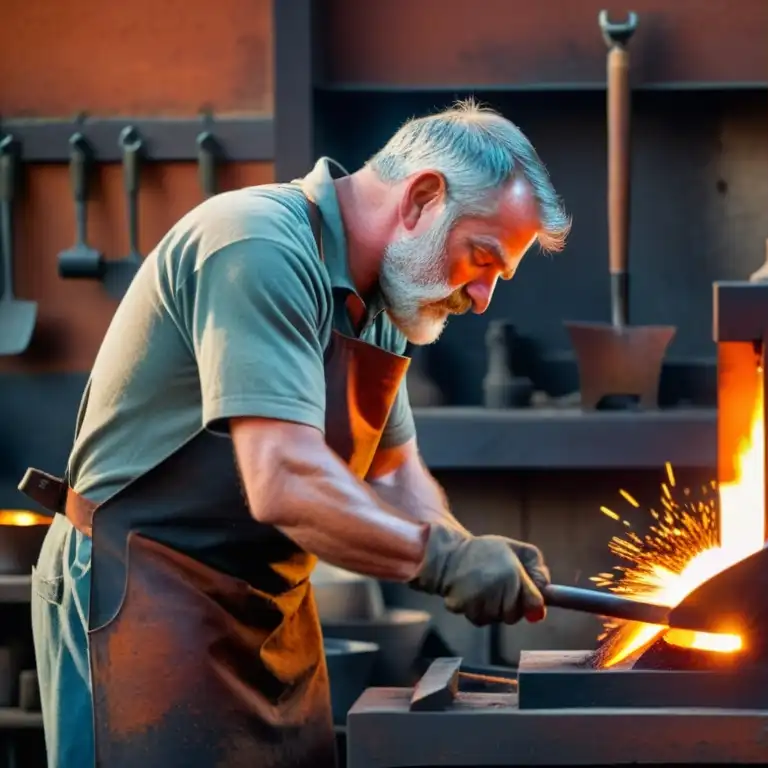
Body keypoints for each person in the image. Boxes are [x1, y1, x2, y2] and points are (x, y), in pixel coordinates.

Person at [21, 100, 572, 768]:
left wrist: (467, 547)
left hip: (263, 614)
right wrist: (445, 563)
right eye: (480, 257)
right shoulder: (259, 246)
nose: (483, 297)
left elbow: (396, 474)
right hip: (137, 593)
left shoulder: (386, 300)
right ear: (422, 197)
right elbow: (281, 478)